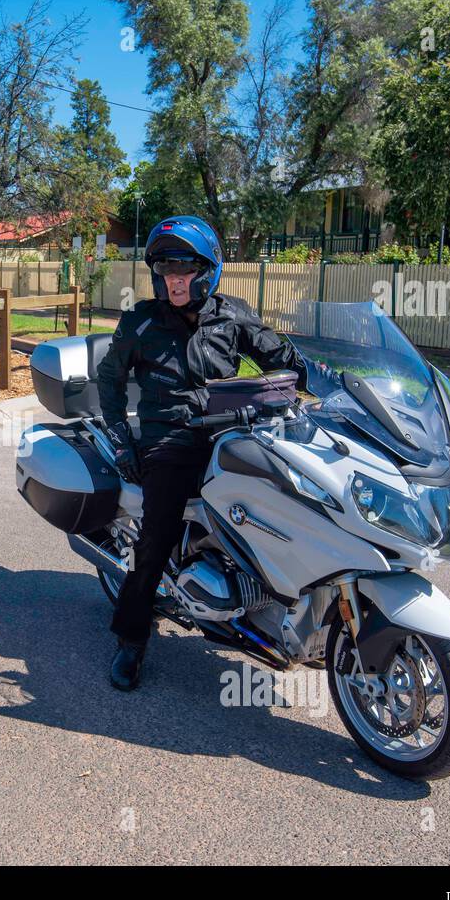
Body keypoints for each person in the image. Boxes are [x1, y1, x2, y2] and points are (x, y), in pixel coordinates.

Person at [96, 215, 326, 691]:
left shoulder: (233, 315)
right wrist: (121, 437)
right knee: (154, 540)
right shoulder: (140, 321)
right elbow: (110, 380)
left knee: (292, 500)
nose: (173, 279)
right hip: (170, 441)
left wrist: (328, 381)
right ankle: (132, 640)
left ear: (207, 269)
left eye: (183, 267)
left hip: (235, 435)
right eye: (164, 268)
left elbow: (280, 359)